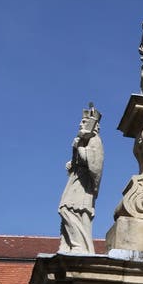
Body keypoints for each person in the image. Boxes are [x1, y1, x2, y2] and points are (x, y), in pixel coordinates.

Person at [58, 105, 103, 254]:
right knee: (69, 210)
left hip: (84, 183)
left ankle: (79, 245)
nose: (80, 124)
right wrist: (72, 162)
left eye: (84, 122)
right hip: (76, 180)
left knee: (67, 209)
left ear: (92, 125)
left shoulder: (95, 140)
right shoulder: (85, 141)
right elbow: (77, 161)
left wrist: (78, 147)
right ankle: (68, 245)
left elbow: (93, 163)